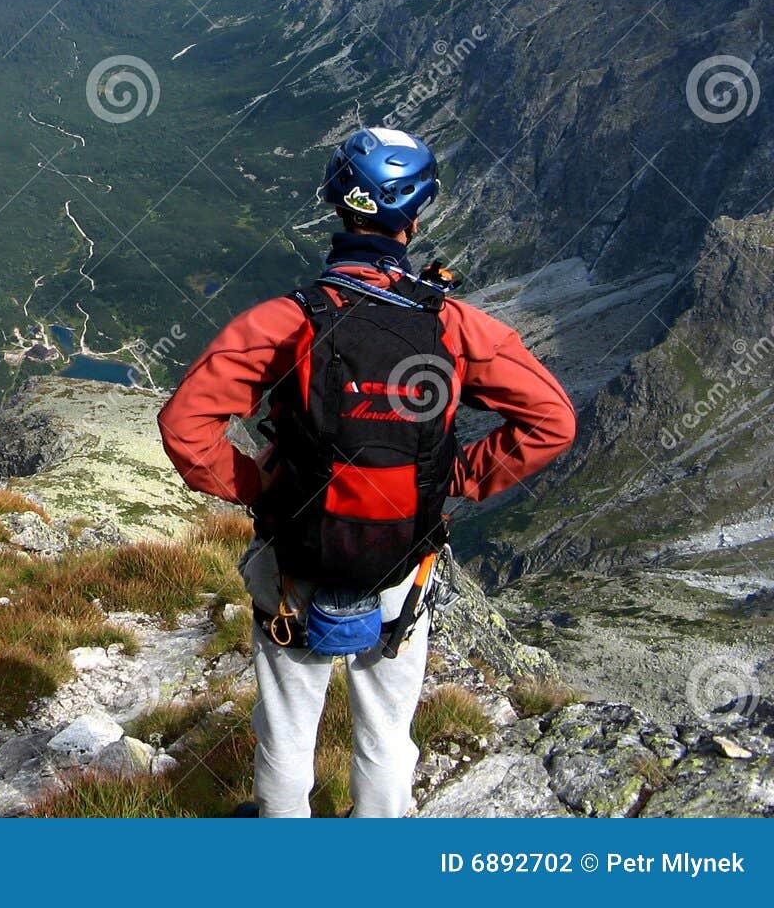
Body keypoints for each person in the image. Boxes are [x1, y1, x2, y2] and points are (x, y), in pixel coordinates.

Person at [157, 127, 576, 817]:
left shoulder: (284, 321)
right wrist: (453, 480)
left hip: (295, 557)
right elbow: (552, 421)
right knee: (386, 733)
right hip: (401, 566)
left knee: (286, 732)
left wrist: (263, 486)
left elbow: (185, 427)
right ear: (415, 216)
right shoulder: (458, 328)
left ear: (334, 203)